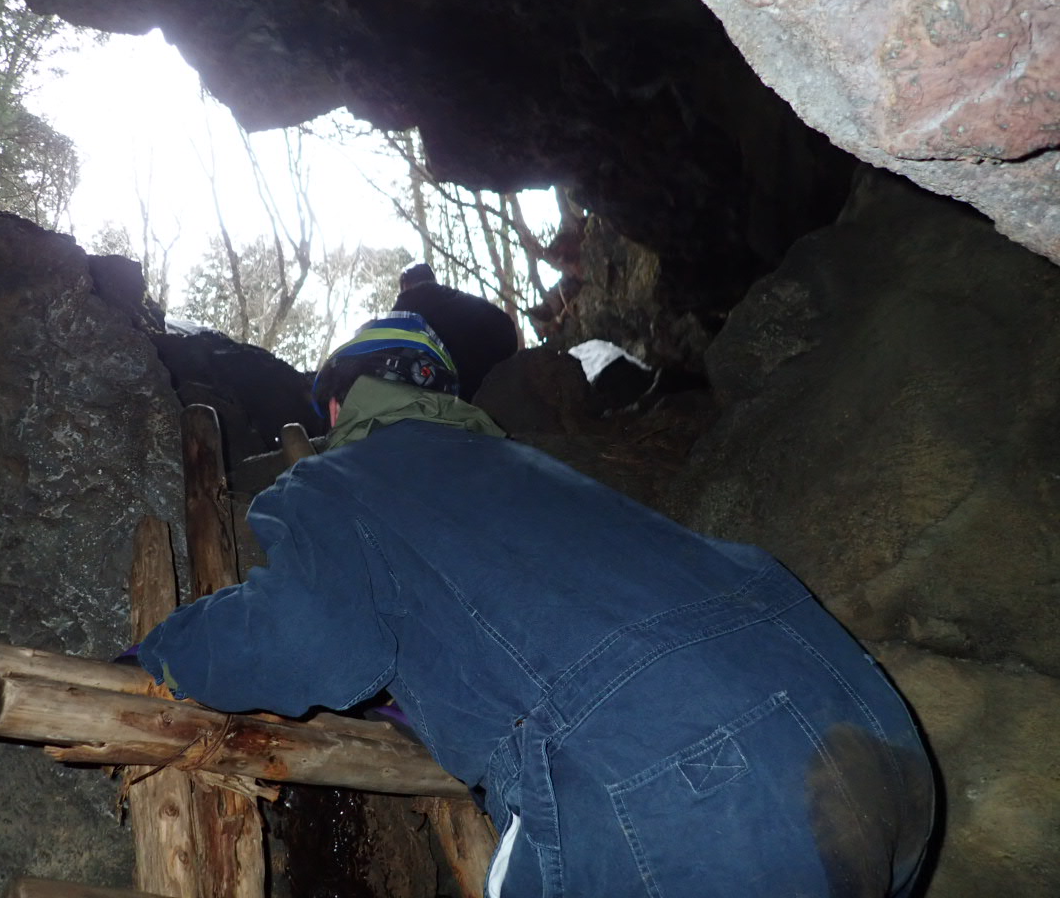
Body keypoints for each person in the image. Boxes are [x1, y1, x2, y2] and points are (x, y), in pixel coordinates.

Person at [136, 312, 935, 898]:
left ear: (338, 408)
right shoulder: (538, 474)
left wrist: (159, 654)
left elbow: (304, 639)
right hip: (865, 728)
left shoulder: (334, 482)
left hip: (687, 789)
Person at [392, 262, 519, 401]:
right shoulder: (462, 300)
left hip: (451, 392)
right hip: (492, 382)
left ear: (406, 285)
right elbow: (506, 329)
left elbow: (385, 343)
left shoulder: (408, 301)